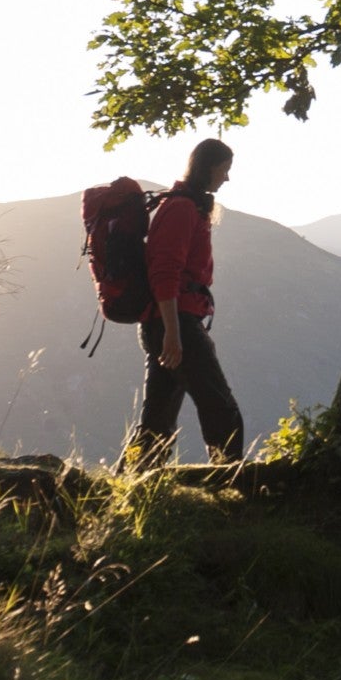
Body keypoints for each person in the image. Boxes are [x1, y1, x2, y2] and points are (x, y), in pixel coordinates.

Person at [126, 137, 246, 467]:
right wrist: (173, 333)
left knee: (156, 422)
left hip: (165, 323)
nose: (227, 178)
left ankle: (129, 487)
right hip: (174, 323)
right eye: (225, 170)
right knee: (222, 411)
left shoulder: (186, 205)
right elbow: (165, 272)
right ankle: (229, 488)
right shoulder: (180, 208)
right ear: (209, 168)